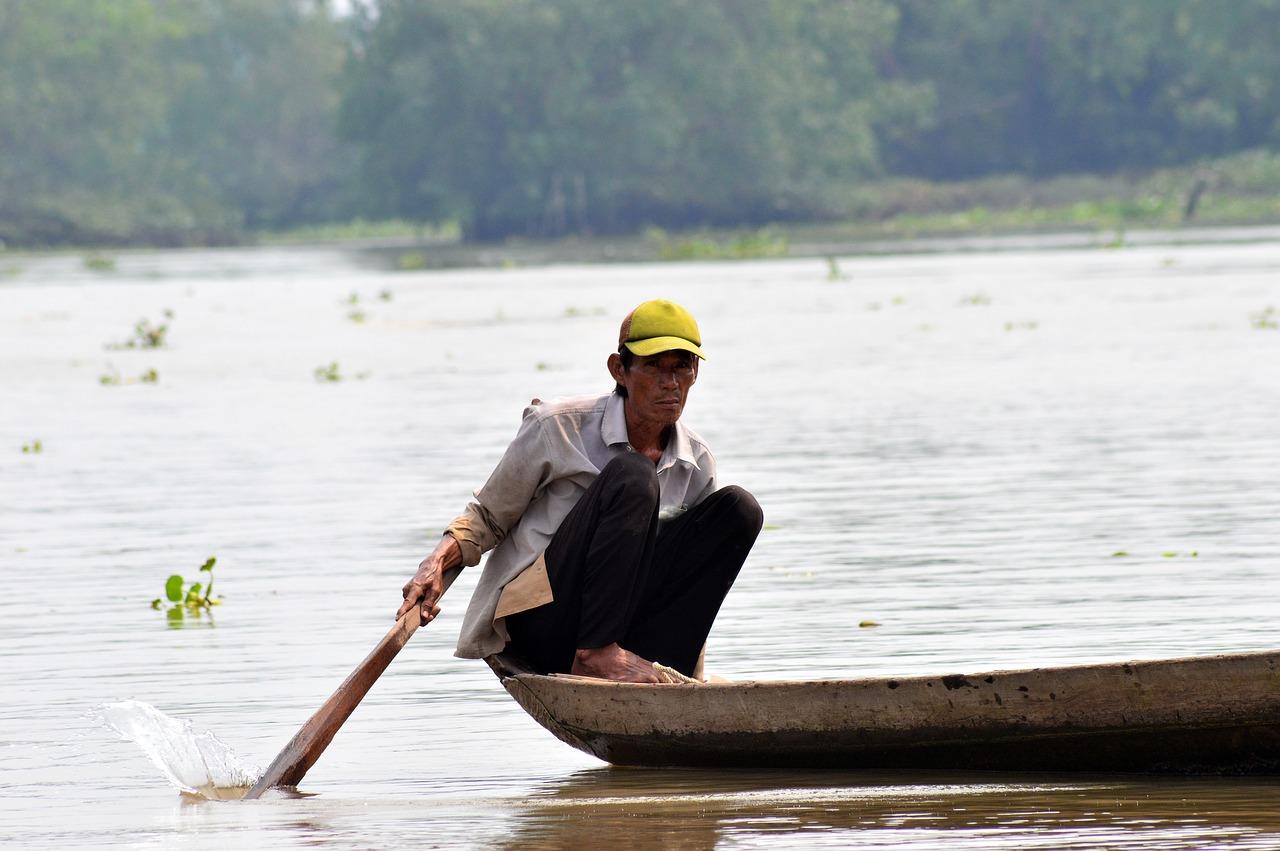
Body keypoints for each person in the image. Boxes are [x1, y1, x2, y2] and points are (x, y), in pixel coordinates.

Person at [397, 299, 762, 683]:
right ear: (619, 369)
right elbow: (488, 517)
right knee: (633, 476)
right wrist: (436, 563)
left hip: (631, 629)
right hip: (544, 624)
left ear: (695, 373)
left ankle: (641, 661)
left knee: (739, 510)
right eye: (653, 366)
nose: (670, 383)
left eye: (681, 367)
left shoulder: (696, 463)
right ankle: (596, 655)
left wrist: (691, 677)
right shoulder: (557, 428)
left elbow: (690, 576)